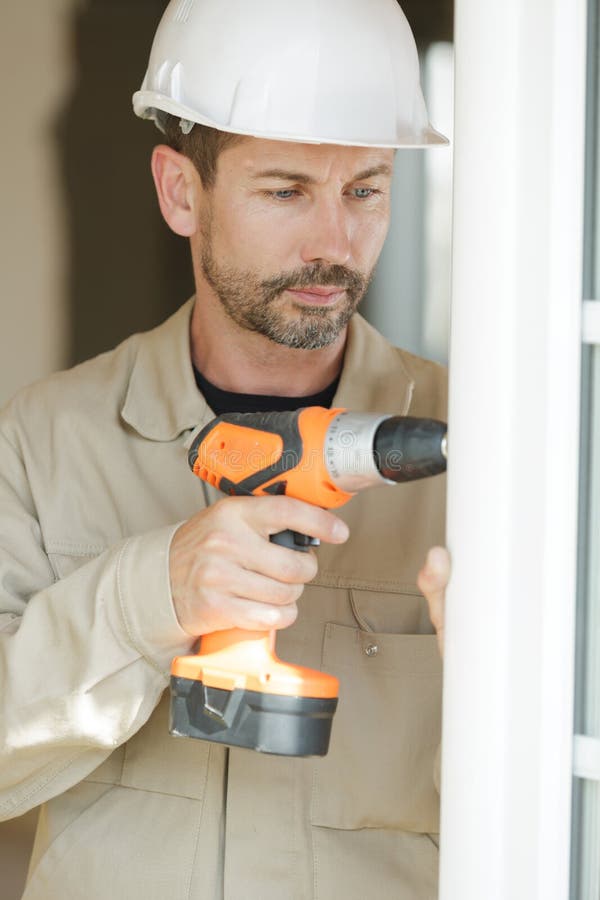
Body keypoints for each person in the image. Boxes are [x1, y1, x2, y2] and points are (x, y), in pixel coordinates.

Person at [0, 1, 451, 897]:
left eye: (364, 189)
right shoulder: (46, 440)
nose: (335, 243)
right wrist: (145, 596)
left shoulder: (476, 449)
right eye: (285, 191)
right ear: (180, 192)